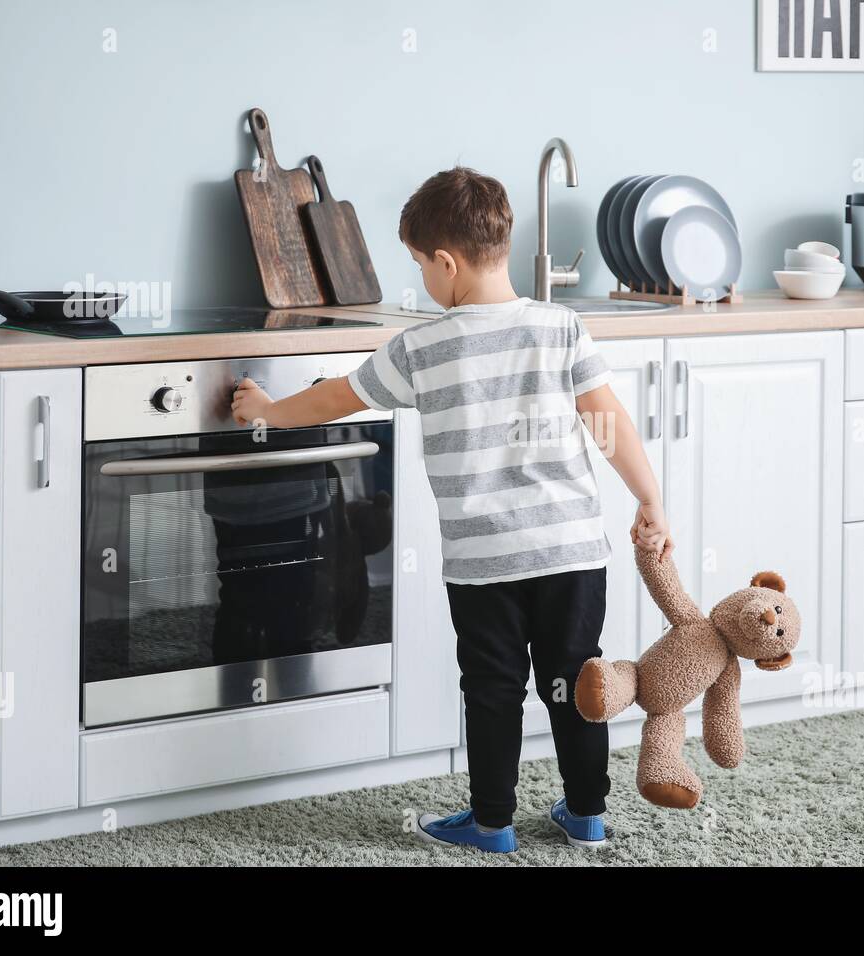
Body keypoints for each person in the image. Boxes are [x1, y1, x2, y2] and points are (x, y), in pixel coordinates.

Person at [231, 166, 671, 853]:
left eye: (419, 266)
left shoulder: (421, 348)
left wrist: (269, 411)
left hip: (484, 560)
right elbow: (606, 418)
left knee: (493, 689)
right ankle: (586, 814)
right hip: (573, 552)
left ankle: (492, 823)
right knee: (576, 678)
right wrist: (650, 499)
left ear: (447, 262)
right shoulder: (561, 327)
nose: (423, 281)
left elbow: (337, 398)